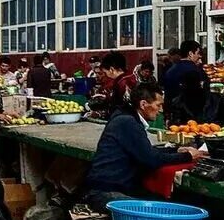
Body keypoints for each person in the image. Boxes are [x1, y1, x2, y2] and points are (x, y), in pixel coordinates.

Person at [83, 82, 206, 212]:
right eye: (158, 105)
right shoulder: (127, 122)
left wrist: (175, 150)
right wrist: (187, 156)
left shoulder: (125, 118)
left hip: (115, 188)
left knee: (161, 200)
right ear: (143, 104)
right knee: (159, 210)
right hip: (106, 192)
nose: (161, 110)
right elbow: (151, 159)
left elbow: (144, 150)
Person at [161, 39, 208, 107]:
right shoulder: (196, 71)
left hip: (173, 110)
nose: (200, 56)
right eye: (198, 53)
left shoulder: (170, 71)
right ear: (190, 54)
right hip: (191, 112)